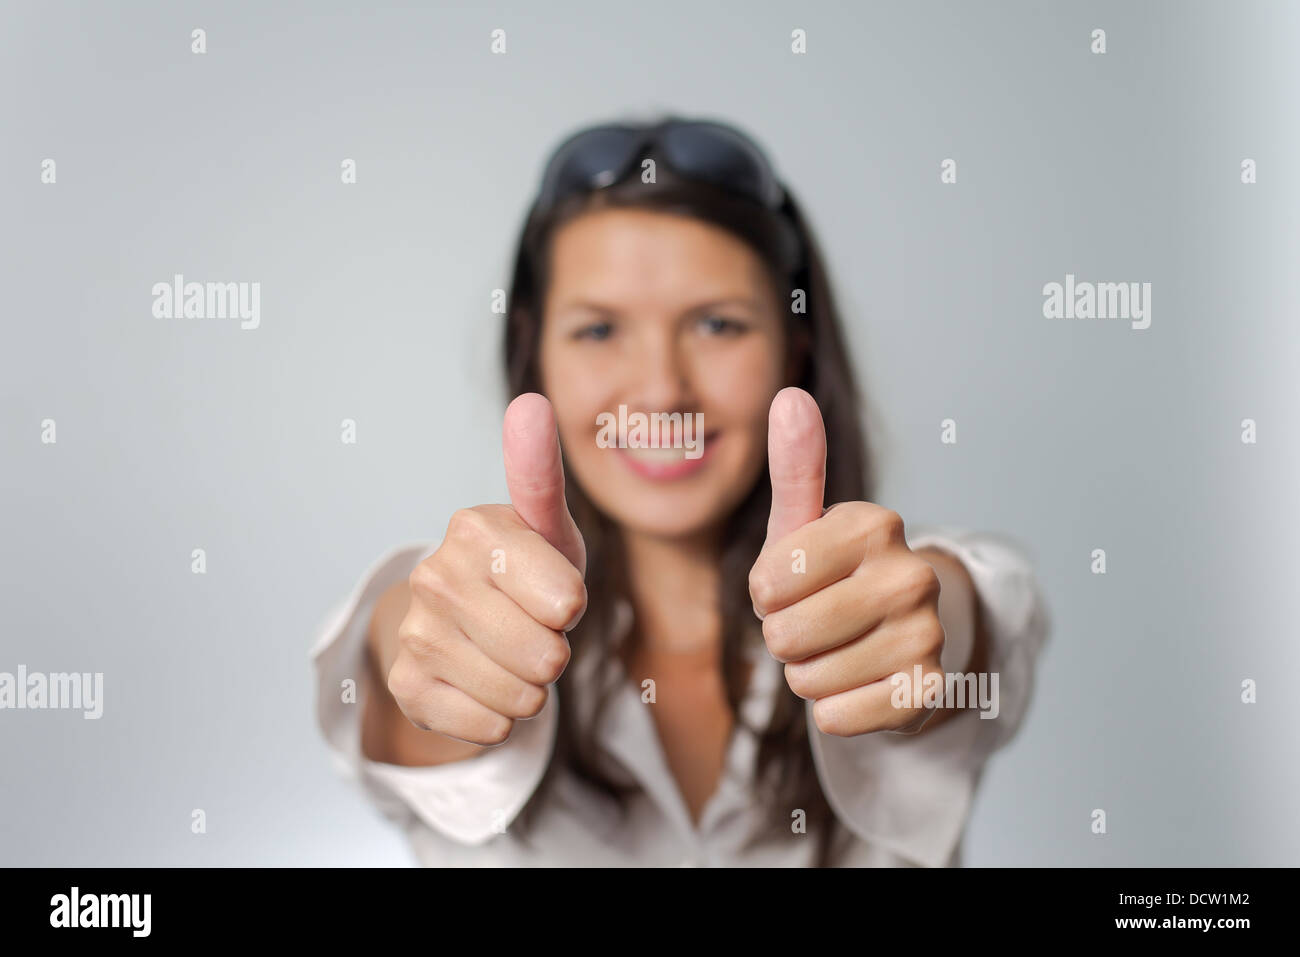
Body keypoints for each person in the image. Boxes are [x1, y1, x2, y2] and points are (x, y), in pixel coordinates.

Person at [312, 115, 1051, 866]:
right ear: (535, 356)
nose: (663, 392)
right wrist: (426, 640)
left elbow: (962, 617)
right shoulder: (453, 613)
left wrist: (925, 624)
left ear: (793, 350)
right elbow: (403, 659)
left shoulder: (914, 597)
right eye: (599, 331)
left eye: (718, 324)